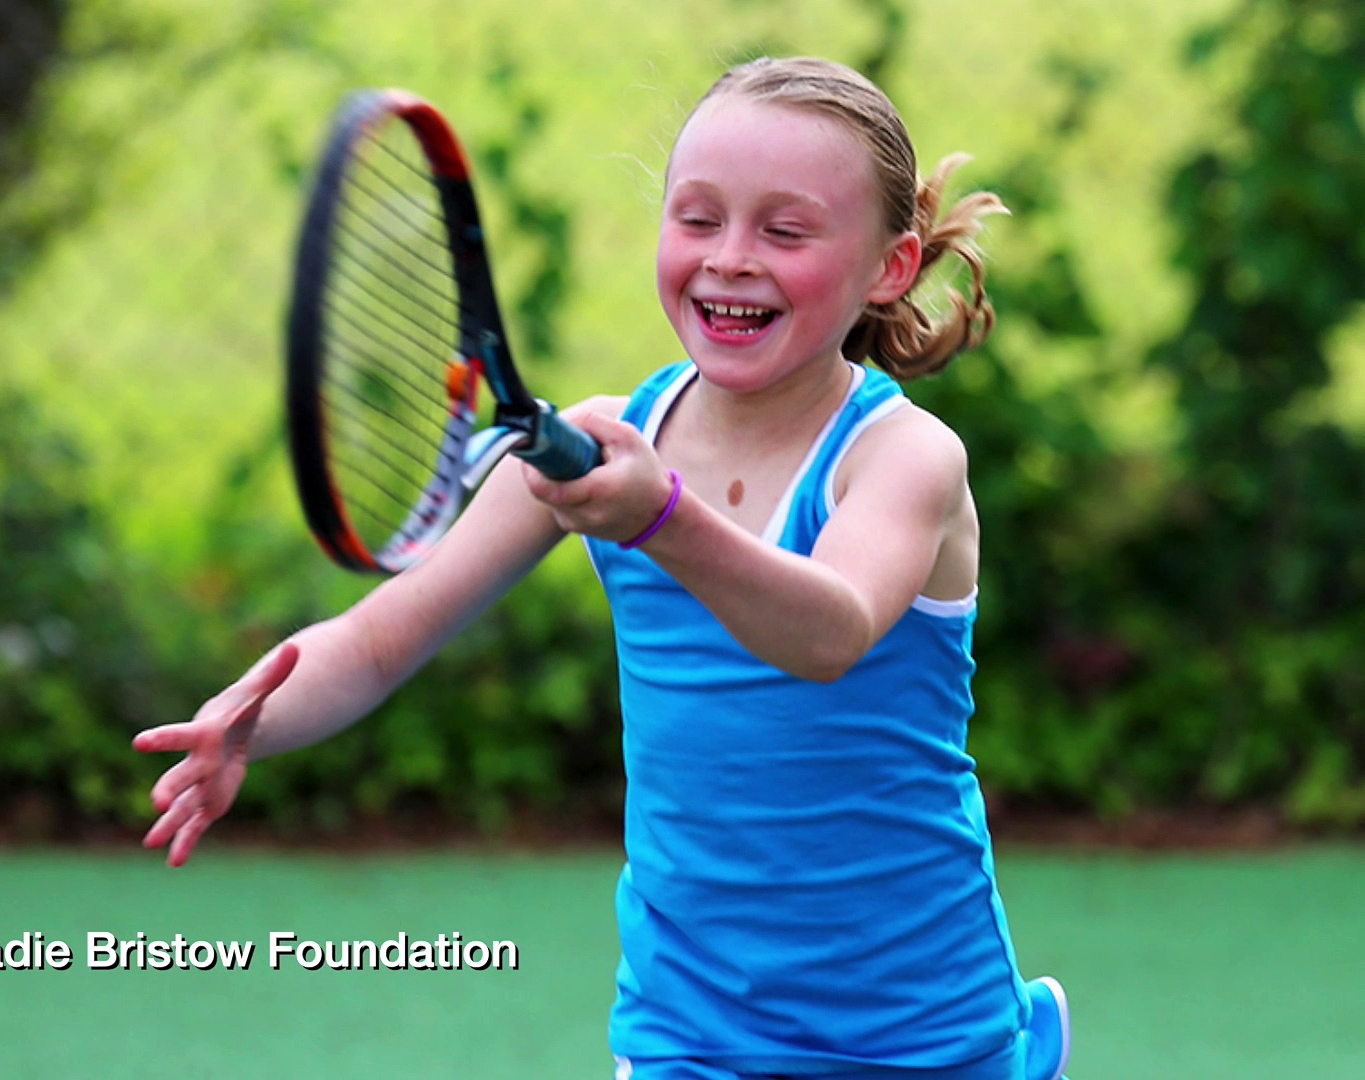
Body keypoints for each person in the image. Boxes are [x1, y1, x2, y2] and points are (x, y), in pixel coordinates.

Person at [134, 55, 1073, 1080]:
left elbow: (831, 631)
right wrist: (254, 721)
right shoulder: (603, 442)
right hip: (690, 1034)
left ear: (889, 269)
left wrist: (659, 516)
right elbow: (377, 638)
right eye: (698, 219)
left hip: (923, 1034)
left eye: (786, 231)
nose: (731, 260)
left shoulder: (903, 460)